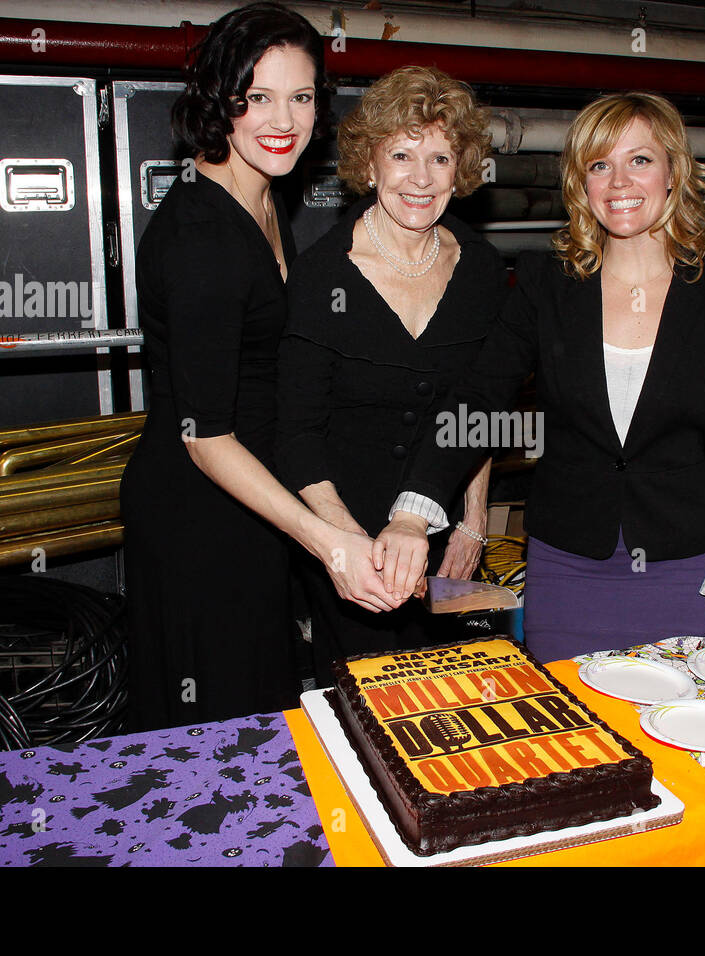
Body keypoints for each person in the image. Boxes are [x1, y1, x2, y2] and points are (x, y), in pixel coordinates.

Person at [375, 91, 705, 661]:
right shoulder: (547, 286)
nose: (620, 181)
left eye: (640, 160)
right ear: (581, 183)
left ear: (673, 172)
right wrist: (412, 514)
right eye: (600, 165)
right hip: (568, 565)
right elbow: (479, 399)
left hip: (682, 569)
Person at [121, 2, 398, 732]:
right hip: (199, 515)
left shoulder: (261, 198)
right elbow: (204, 434)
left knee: (262, 711)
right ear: (221, 101)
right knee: (216, 733)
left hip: (252, 505)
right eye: (258, 97)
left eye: (301, 97)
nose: (284, 119)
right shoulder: (204, 238)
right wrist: (327, 539)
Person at [277, 66, 506, 685]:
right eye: (401, 154)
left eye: (439, 157)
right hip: (341, 526)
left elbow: (479, 405)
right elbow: (296, 431)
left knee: (449, 702)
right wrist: (351, 546)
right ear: (369, 163)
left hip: (443, 518)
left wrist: (472, 522)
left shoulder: (482, 269)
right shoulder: (324, 274)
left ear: (460, 171)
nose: (420, 178)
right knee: (365, 700)